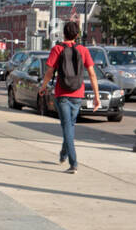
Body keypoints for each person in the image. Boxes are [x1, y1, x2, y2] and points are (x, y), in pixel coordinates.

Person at [37, 19, 100, 173]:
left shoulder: (57, 49)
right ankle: (63, 154)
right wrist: (96, 96)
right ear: (77, 35)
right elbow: (92, 74)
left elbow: (49, 72)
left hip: (62, 93)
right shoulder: (84, 50)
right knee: (69, 125)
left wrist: (43, 87)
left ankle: (73, 163)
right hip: (78, 93)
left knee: (67, 126)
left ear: (63, 33)